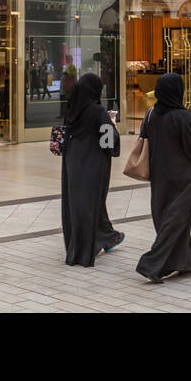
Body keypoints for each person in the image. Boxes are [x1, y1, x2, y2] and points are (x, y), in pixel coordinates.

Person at [135, 73, 191, 283]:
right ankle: (151, 264)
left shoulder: (151, 113)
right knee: (175, 221)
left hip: (159, 176)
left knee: (168, 219)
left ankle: (186, 261)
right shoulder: (183, 116)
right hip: (181, 179)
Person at [60, 72, 124, 267]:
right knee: (92, 202)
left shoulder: (71, 109)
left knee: (77, 204)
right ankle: (86, 248)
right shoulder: (97, 112)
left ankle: (104, 237)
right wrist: (111, 125)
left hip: (72, 162)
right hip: (93, 163)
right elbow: (107, 142)